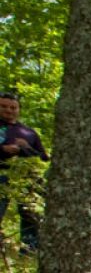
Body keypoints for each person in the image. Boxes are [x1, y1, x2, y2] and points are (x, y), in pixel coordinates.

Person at [0, 91, 48, 253]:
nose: (9, 110)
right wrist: (3, 149)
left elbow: (43, 159)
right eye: (4, 106)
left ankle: (29, 251)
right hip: (1, 175)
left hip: (26, 178)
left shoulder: (28, 132)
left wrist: (26, 148)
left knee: (30, 215)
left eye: (13, 107)